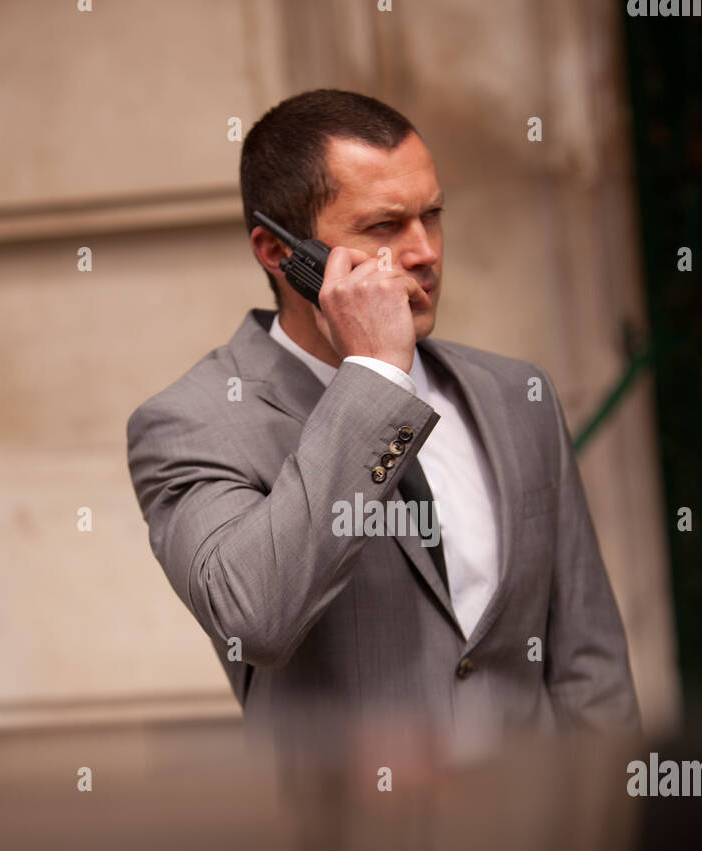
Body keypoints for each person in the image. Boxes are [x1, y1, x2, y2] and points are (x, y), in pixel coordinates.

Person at [127, 89, 638, 758]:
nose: (424, 251)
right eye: (384, 227)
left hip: (539, 841)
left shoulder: (518, 396)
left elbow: (587, 660)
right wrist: (375, 380)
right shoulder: (192, 424)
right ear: (280, 252)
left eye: (432, 216)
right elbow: (257, 616)